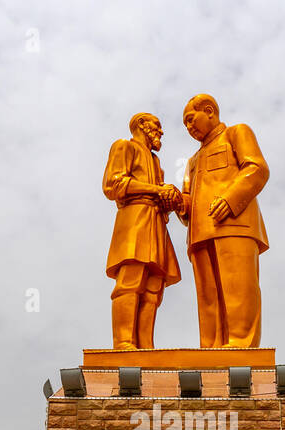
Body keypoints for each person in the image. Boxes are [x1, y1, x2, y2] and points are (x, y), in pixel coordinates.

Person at [178, 94, 270, 348]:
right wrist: (178, 203)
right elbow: (188, 198)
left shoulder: (236, 133)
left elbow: (257, 168)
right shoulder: (192, 161)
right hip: (199, 233)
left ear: (209, 111)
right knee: (208, 298)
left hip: (235, 224)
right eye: (185, 124)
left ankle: (241, 344)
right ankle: (211, 348)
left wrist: (230, 200)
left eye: (190, 119)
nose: (189, 128)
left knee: (239, 289)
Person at [103, 112, 183, 349]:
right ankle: (124, 343)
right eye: (157, 125)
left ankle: (145, 347)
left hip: (156, 222)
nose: (161, 131)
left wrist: (169, 199)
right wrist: (157, 190)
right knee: (130, 280)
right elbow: (113, 185)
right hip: (134, 219)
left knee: (153, 286)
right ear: (141, 124)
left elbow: (157, 195)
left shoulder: (156, 161)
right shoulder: (124, 147)